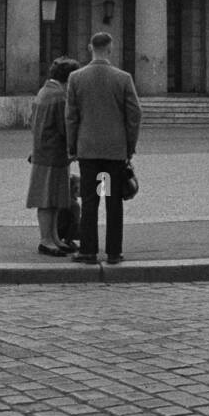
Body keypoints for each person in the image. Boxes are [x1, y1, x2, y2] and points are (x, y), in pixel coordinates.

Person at [66, 31, 142, 266]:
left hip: (88, 151)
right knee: (112, 200)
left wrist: (73, 146)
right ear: (110, 49)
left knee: (89, 201)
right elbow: (134, 115)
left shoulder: (76, 78)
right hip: (113, 152)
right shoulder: (123, 78)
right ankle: (113, 252)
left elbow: (71, 117)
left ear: (91, 48)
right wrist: (129, 146)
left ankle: (88, 251)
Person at [27, 56, 80, 256]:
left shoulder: (44, 92)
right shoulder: (59, 97)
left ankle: (53, 238)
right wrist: (75, 147)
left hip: (44, 152)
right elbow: (65, 127)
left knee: (55, 198)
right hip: (53, 155)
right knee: (48, 199)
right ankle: (47, 240)